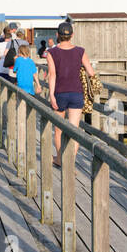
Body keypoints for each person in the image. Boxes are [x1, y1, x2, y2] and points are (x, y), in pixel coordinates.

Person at [45, 18, 95, 165]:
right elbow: (91, 73)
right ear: (72, 35)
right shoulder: (80, 51)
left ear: (57, 35)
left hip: (60, 93)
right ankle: (70, 162)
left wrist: (52, 96)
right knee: (74, 131)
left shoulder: (51, 53)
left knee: (59, 130)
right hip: (76, 93)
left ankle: (60, 159)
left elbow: (52, 75)